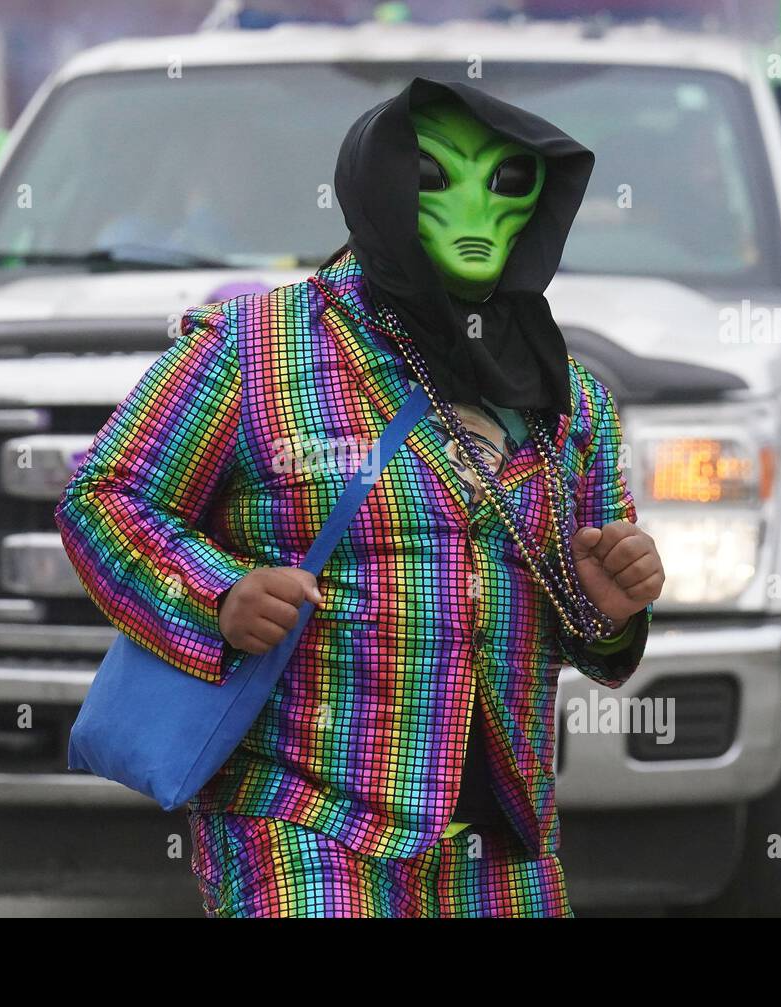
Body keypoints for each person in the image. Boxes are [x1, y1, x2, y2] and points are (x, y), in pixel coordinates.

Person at [56, 77, 664, 918]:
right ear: (378, 186)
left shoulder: (570, 400)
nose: (474, 209)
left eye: (508, 181)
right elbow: (105, 498)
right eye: (433, 175)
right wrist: (220, 595)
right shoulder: (255, 349)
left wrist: (611, 607)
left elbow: (596, 631)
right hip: (301, 817)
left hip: (499, 839)